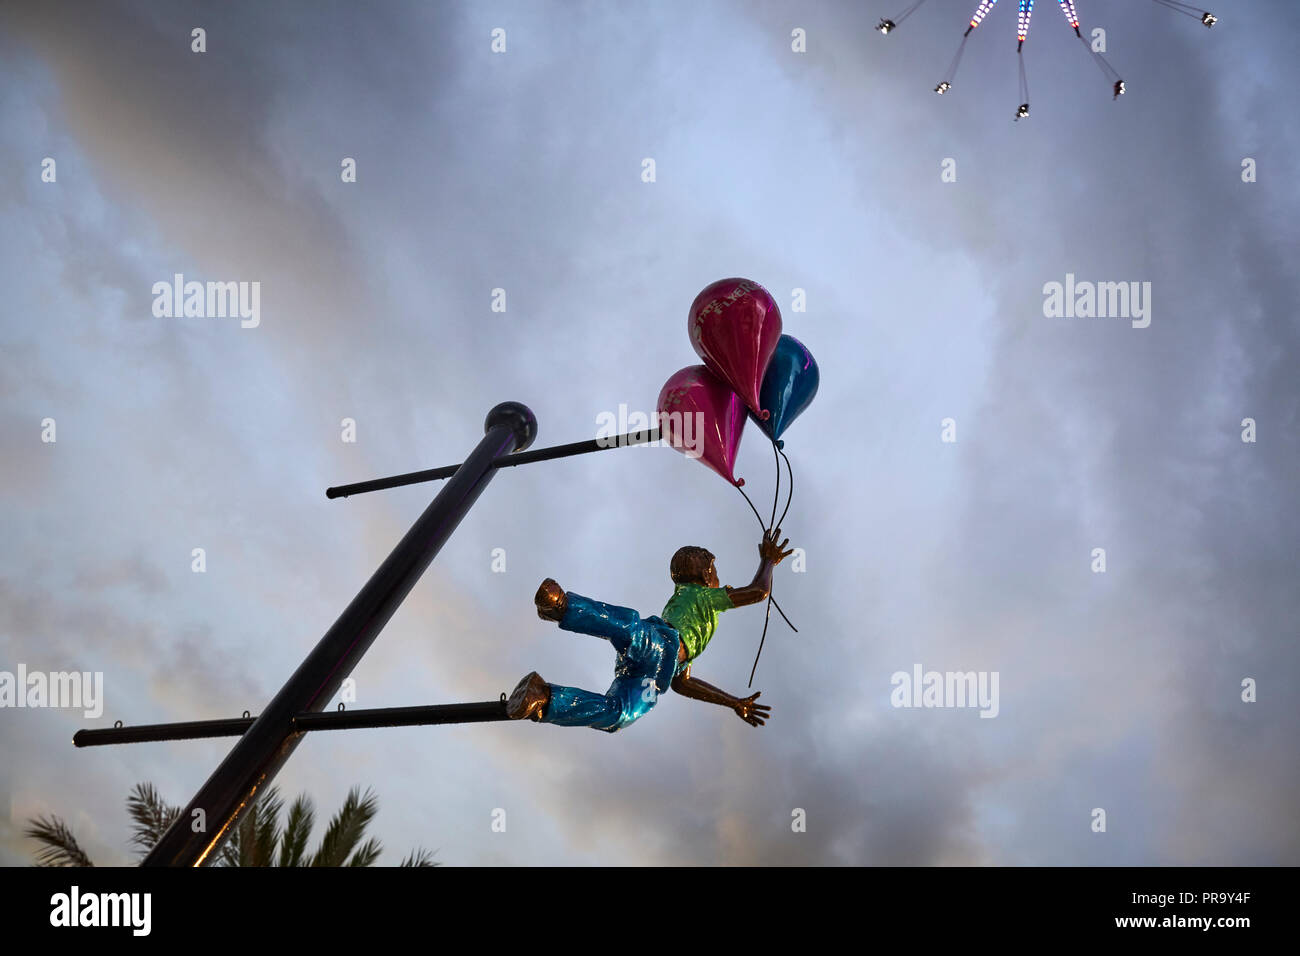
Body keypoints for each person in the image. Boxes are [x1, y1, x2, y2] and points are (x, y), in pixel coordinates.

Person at [506, 528, 794, 732]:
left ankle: (545, 699)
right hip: (660, 644)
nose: (718, 579)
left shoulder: (695, 626)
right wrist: (769, 560)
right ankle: (564, 606)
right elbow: (758, 591)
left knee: (620, 715)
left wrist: (733, 702)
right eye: (715, 572)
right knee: (629, 628)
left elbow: (682, 683)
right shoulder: (703, 595)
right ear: (707, 577)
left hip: (654, 676)